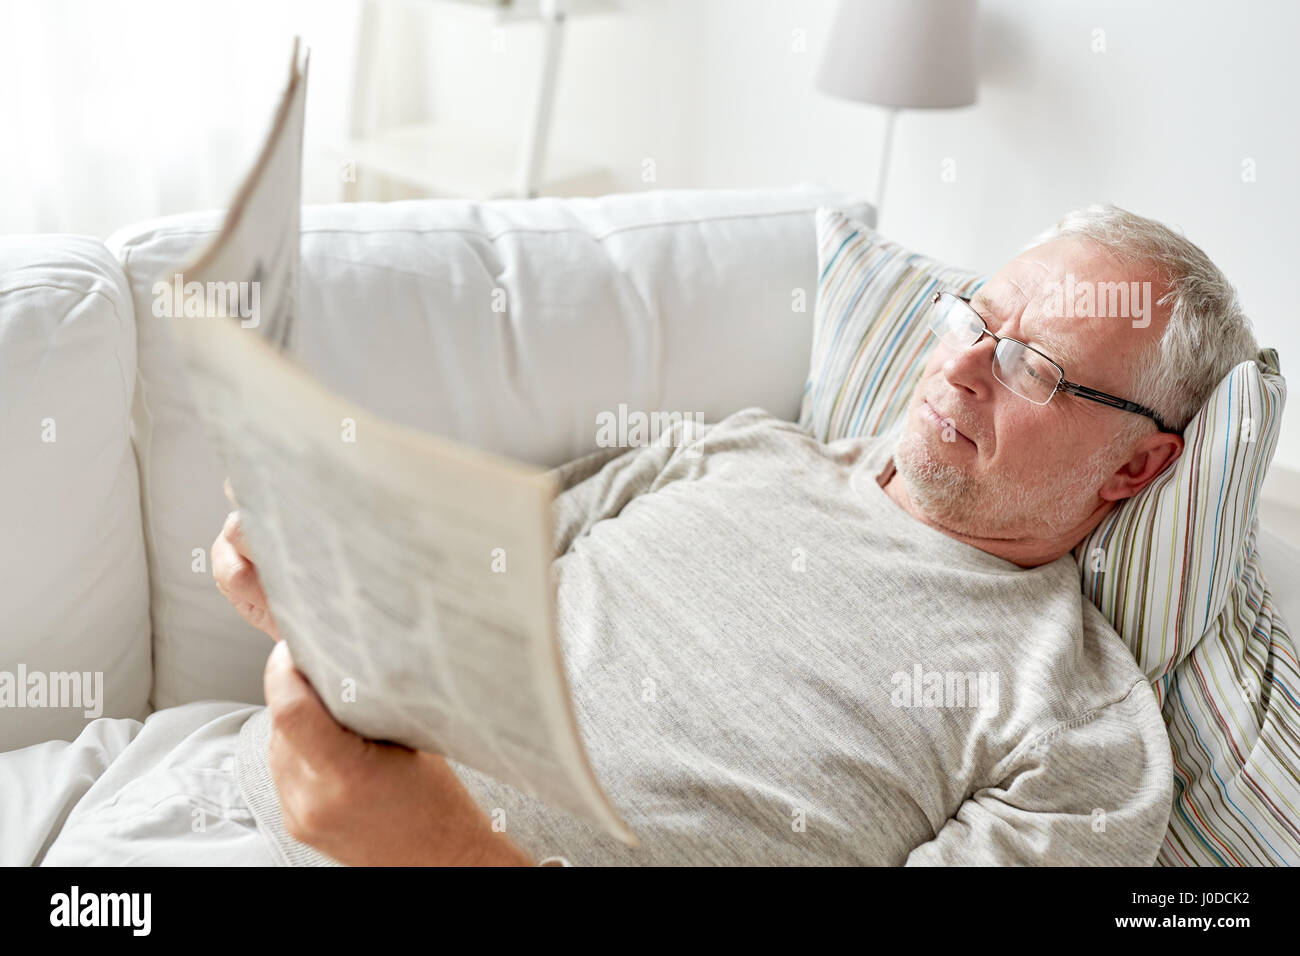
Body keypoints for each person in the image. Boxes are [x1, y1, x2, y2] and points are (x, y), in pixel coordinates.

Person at [8, 204, 1258, 866]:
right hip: (174, 783)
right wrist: (320, 567)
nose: (962, 366)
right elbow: (467, 571)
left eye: (1033, 362)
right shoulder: (740, 449)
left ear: (1140, 462)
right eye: (971, 314)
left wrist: (446, 858)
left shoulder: (1079, 733)